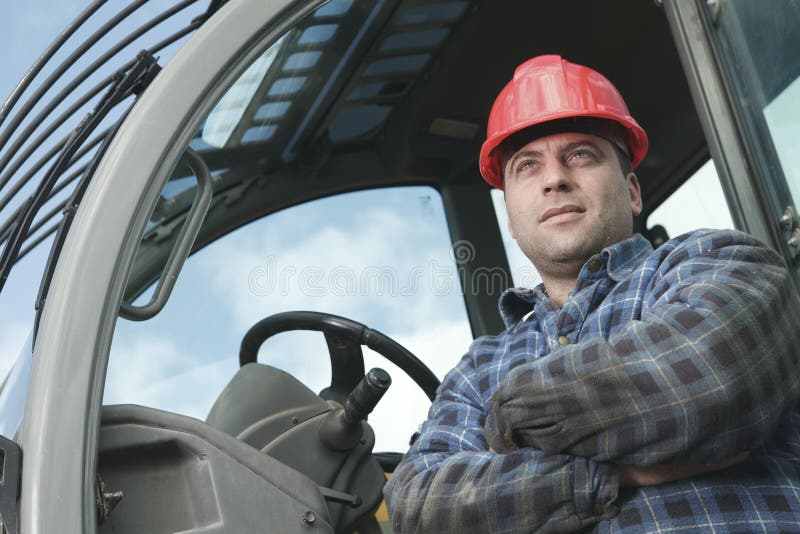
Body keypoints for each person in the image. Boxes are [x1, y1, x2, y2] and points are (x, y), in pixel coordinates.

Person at [384, 55, 800, 532]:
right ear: (511, 220)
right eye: (527, 166)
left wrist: (509, 424)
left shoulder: (714, 261)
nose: (555, 178)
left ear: (632, 190)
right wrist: (608, 475)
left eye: (580, 154)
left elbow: (712, 377)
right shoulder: (479, 367)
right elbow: (422, 507)